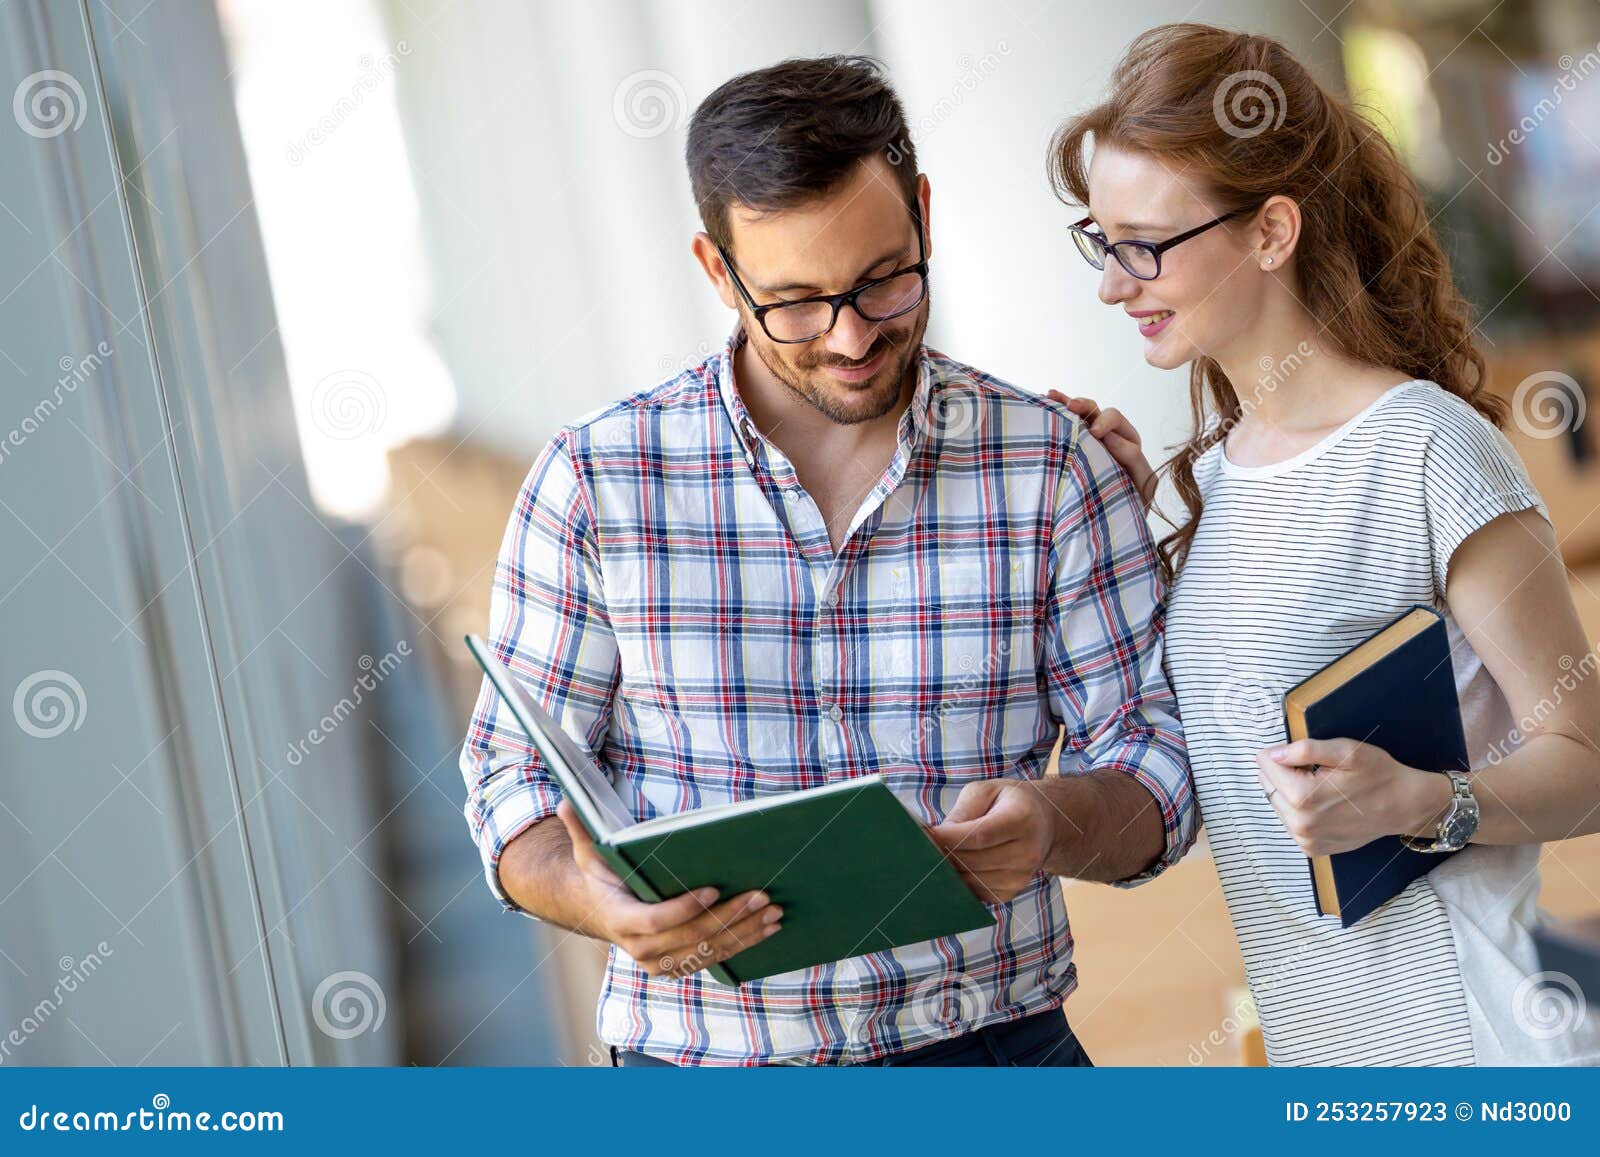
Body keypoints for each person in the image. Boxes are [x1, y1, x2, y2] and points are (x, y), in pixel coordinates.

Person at [459, 55, 1195, 1067]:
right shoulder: (596, 480)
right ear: (717, 270)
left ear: (923, 217)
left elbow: (1157, 754)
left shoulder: (1052, 466)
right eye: (795, 301)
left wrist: (1056, 821)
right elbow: (512, 774)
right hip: (698, 1069)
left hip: (992, 1055)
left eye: (883, 279)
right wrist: (589, 896)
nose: (851, 337)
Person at [1048, 22, 1600, 1065]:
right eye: (1101, 239)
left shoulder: (1428, 448)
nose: (1113, 286)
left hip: (1470, 1043)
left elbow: (1590, 759)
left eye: (1144, 244)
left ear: (1269, 232)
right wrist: (1124, 531)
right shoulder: (1213, 482)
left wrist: (1422, 801)